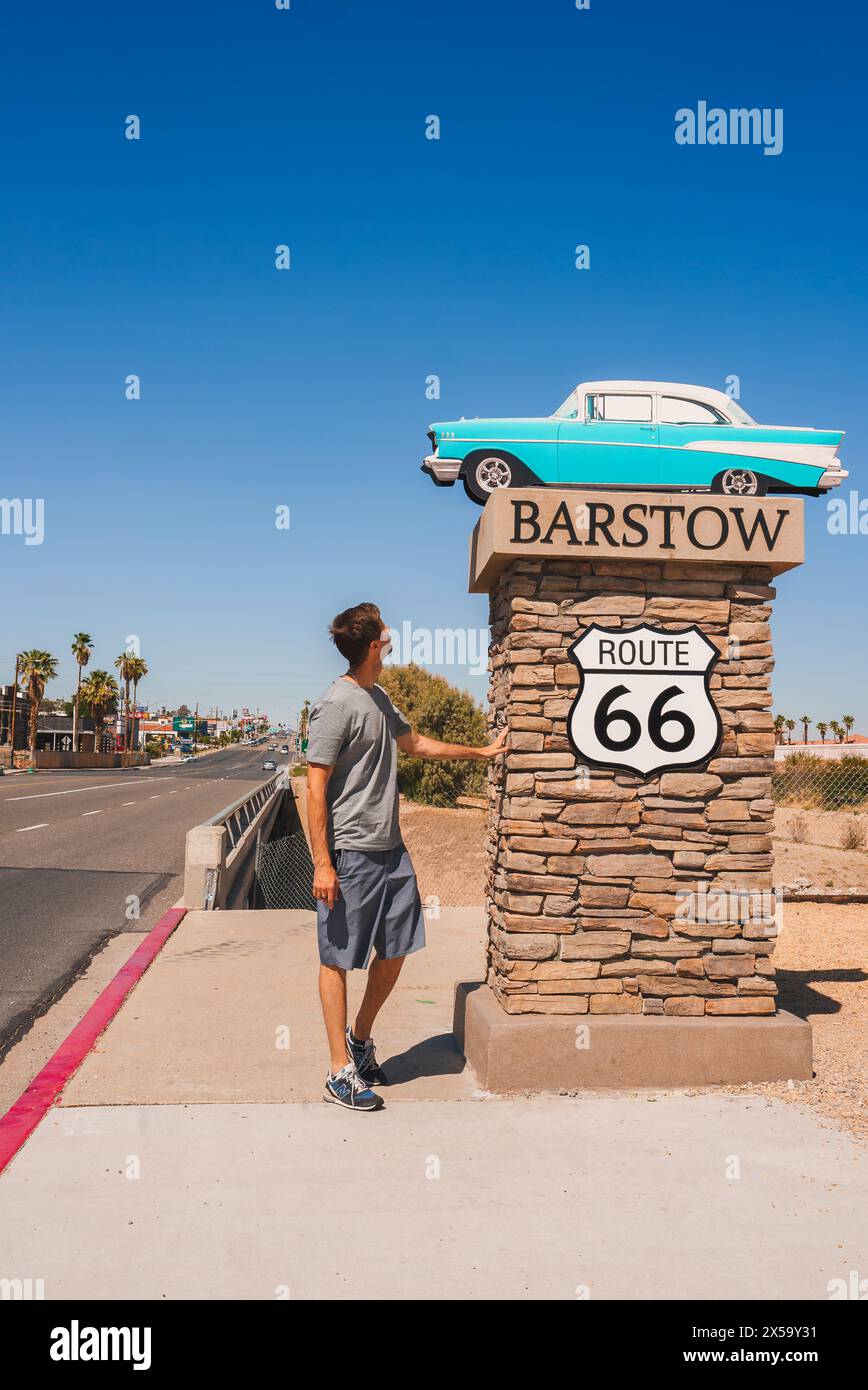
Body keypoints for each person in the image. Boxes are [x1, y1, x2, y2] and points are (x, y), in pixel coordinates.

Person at [306, 602, 507, 1112]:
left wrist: (481, 753)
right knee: (338, 959)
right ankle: (337, 1072)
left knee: (396, 950)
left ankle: (359, 1039)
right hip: (351, 853)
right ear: (374, 643)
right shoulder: (336, 704)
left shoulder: (379, 696)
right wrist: (323, 863)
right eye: (385, 631)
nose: (393, 635)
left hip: (392, 850)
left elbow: (415, 743)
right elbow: (315, 786)